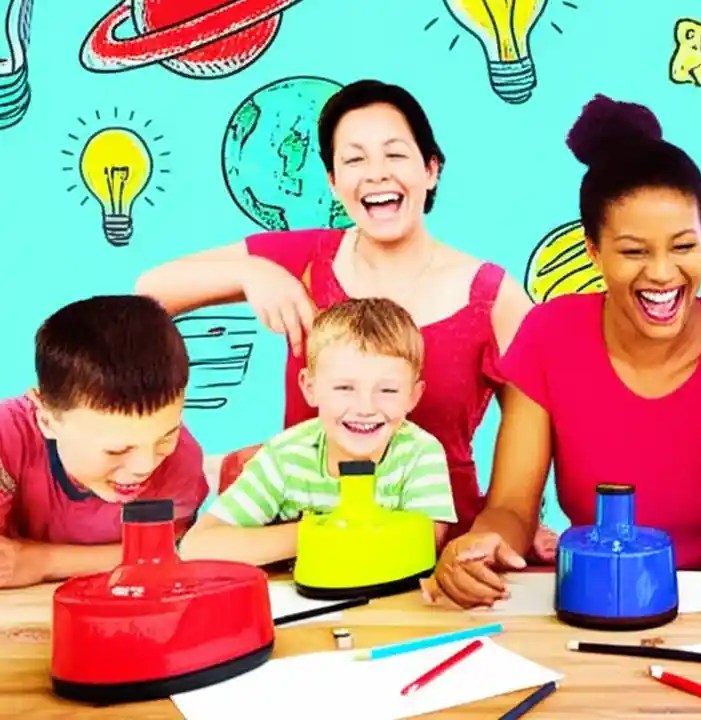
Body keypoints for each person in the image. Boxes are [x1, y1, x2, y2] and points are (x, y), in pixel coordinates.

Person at [134, 79, 552, 554]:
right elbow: (150, 291)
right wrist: (250, 272)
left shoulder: (496, 299)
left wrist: (496, 537)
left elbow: (517, 490)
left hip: (436, 550)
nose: (376, 174)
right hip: (301, 550)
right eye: (354, 160)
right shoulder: (304, 259)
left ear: (431, 169)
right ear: (333, 182)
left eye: (395, 154)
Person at [424, 94, 701, 608]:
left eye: (684, 246)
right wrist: (482, 545)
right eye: (633, 251)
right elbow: (511, 507)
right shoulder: (549, 335)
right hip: (600, 598)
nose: (662, 273)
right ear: (594, 251)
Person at [180, 298, 456, 566]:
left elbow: (425, 543)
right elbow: (197, 546)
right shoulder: (285, 456)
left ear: (413, 396)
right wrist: (320, 533)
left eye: (388, 390)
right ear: (310, 388)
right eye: (344, 388)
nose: (365, 408)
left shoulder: (420, 453)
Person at [0, 295, 207, 588]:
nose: (144, 465)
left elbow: (169, 552)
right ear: (45, 419)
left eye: (167, 436)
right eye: (117, 450)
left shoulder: (181, 458)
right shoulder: (7, 437)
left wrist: (42, 561)